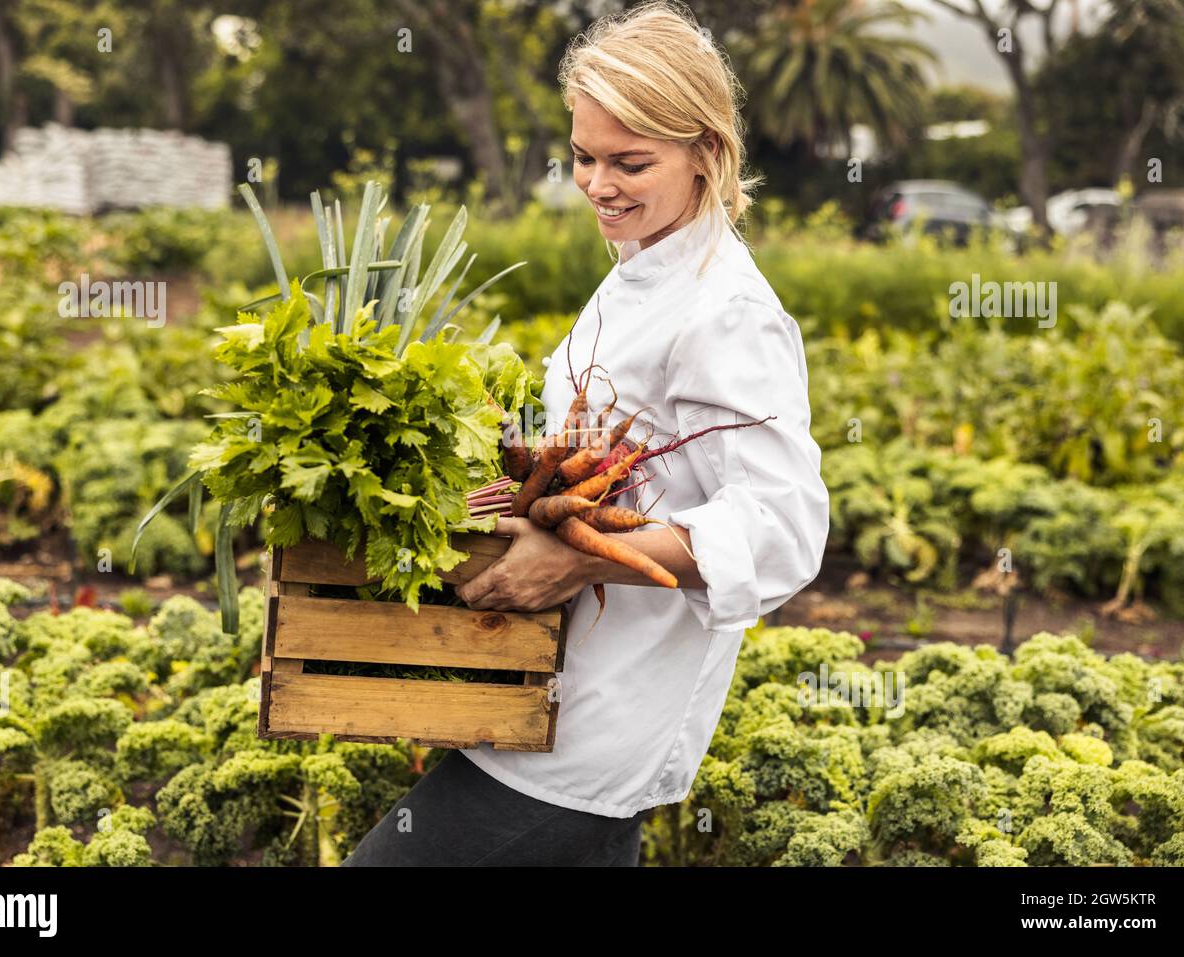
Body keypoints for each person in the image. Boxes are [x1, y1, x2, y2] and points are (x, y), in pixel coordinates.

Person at [341, 0, 829, 868]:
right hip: (537, 678)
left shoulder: (728, 314)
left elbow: (783, 527)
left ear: (706, 154)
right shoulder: (638, 268)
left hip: (603, 716)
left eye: (630, 162)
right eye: (584, 157)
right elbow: (601, 444)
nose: (598, 184)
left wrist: (580, 558)